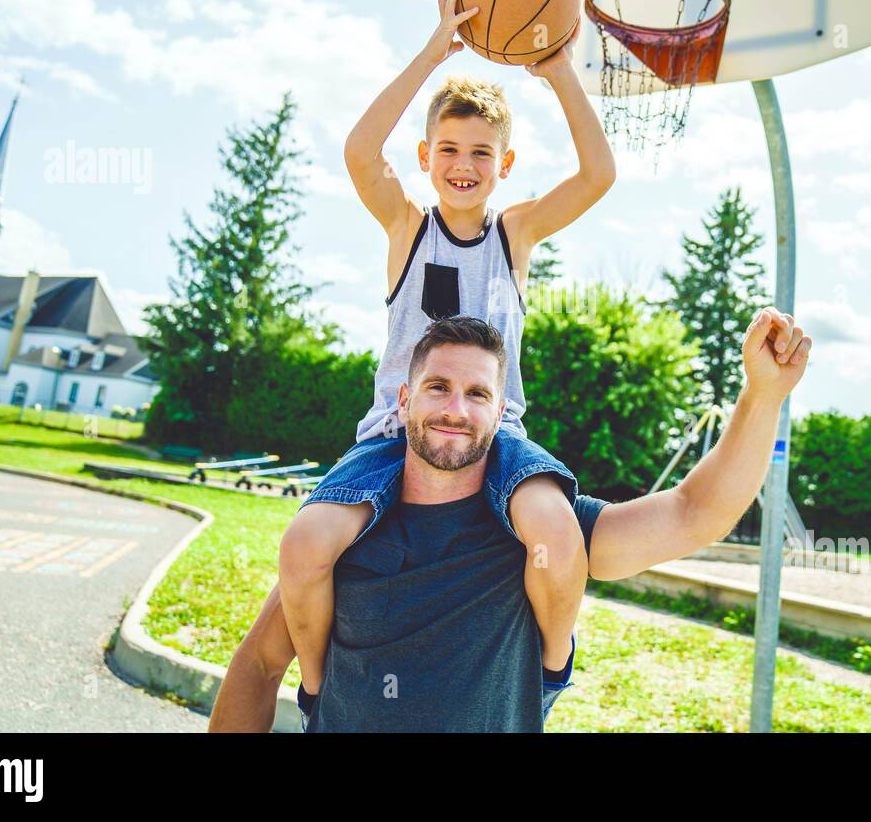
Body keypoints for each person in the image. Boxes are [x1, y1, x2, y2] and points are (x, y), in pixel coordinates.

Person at [209, 307, 812, 732]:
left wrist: (761, 396)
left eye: (477, 394)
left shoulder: (539, 530)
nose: (455, 409)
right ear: (403, 400)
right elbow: (260, 666)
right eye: (438, 387)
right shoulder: (347, 528)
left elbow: (692, 514)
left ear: (501, 412)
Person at [277, 0, 617, 709]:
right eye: (451, 149)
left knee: (557, 536)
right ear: (428, 155)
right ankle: (315, 689)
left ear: (506, 165)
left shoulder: (515, 235)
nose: (465, 165)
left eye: (483, 153)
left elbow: (598, 175)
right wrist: (433, 52)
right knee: (305, 547)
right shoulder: (408, 229)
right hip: (396, 438)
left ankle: (549, 671)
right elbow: (361, 149)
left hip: (495, 440)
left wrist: (557, 70)